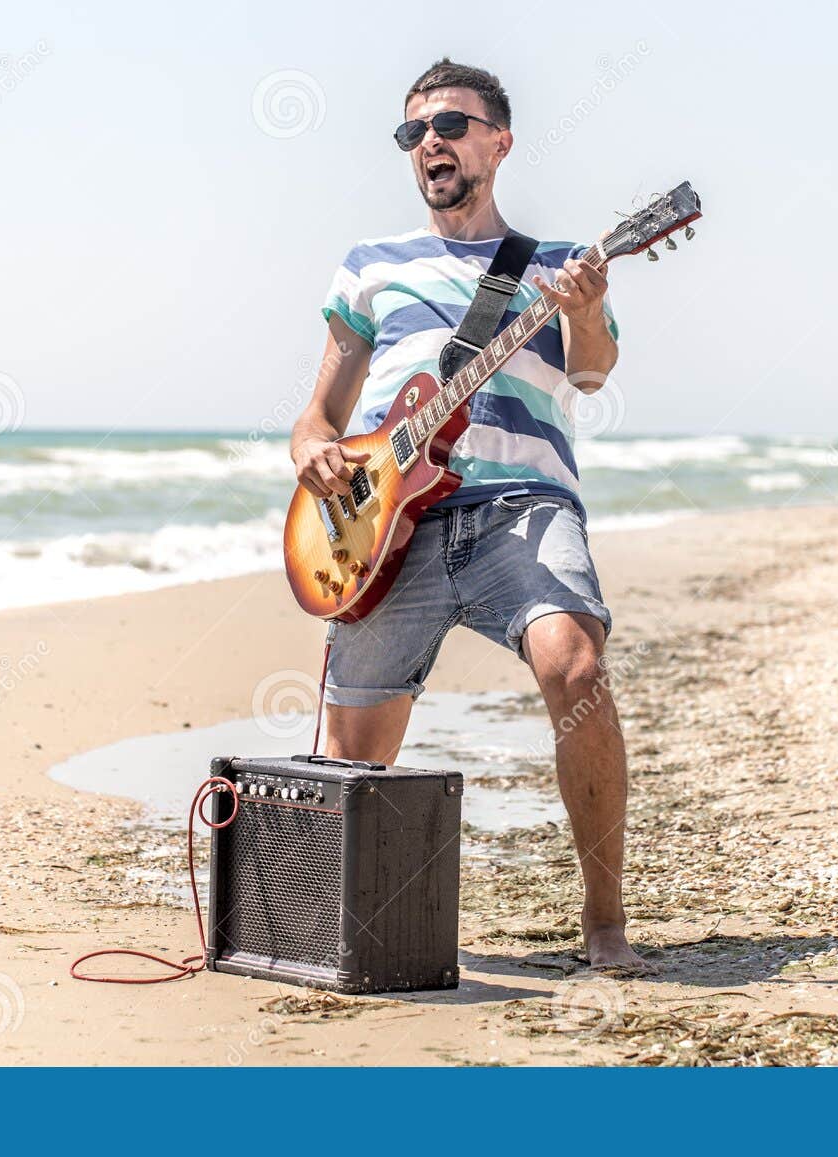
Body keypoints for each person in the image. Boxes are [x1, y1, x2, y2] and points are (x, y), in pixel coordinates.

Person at [289, 59, 646, 972]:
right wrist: (313, 455)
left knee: (578, 666)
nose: (431, 144)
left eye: (451, 124)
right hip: (383, 528)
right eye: (415, 132)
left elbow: (594, 373)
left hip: (521, 509)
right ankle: (342, 935)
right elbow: (316, 417)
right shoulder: (371, 266)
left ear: (500, 140)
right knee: (350, 762)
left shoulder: (560, 267)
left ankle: (604, 920)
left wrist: (592, 304)